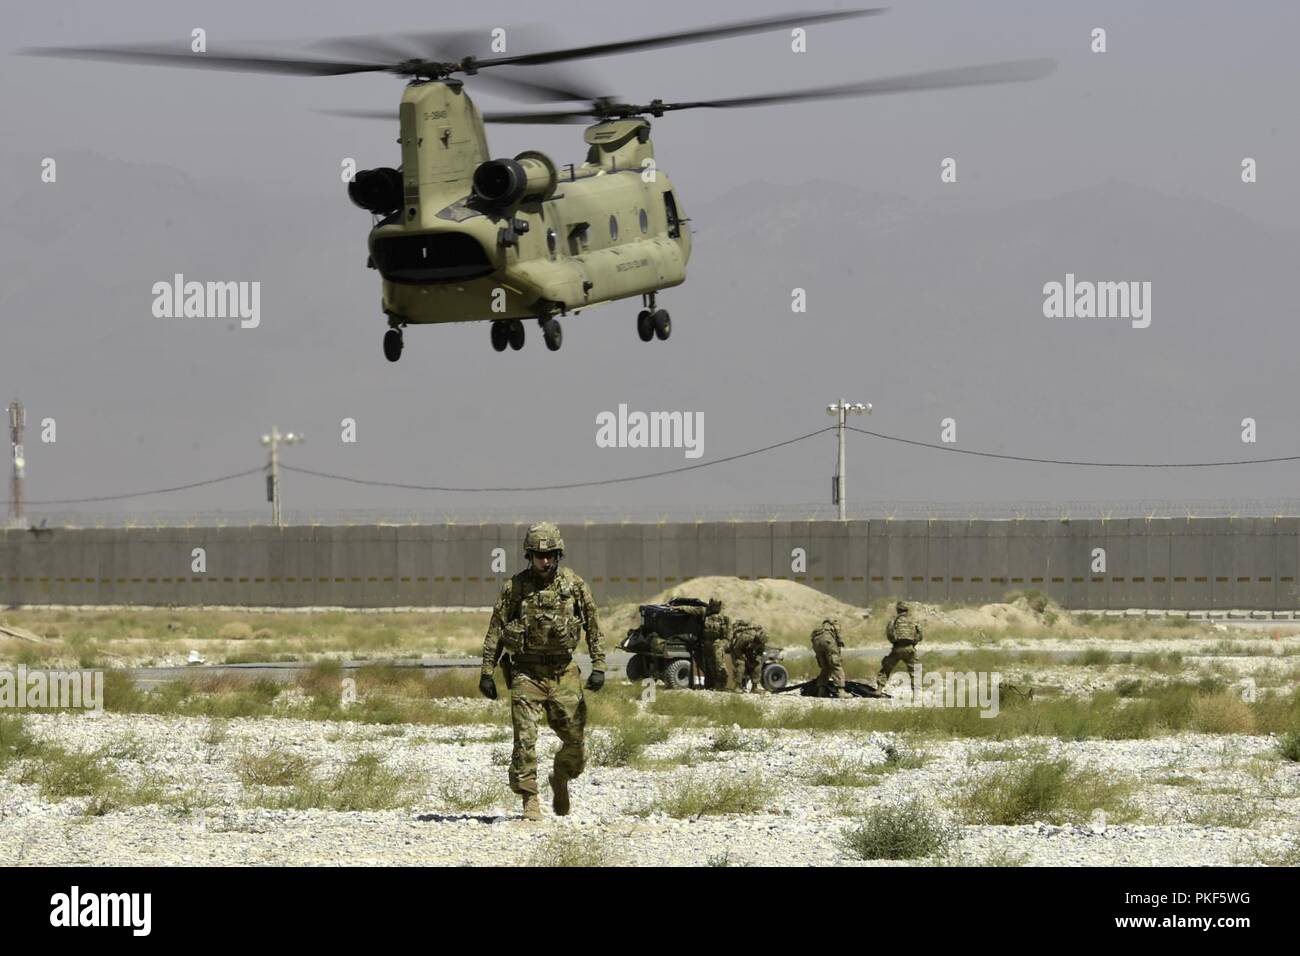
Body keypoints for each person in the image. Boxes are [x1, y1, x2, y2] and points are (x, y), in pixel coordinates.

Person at [479, 522, 605, 821]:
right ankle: (530, 801)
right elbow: (495, 631)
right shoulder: (515, 587)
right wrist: (487, 671)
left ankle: (560, 777)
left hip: (564, 673)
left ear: (558, 554)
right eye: (538, 555)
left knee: (575, 740)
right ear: (529, 556)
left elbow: (594, 626)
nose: (544, 561)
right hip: (526, 673)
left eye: (549, 555)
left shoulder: (574, 585)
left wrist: (599, 665)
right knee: (525, 738)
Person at [879, 600, 922, 693]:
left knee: (886, 668)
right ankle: (916, 694)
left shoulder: (893, 621)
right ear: (907, 610)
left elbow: (890, 634)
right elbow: (919, 635)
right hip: (910, 649)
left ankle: (879, 690)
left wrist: (895, 643)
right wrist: (913, 643)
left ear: (898, 610)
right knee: (915, 671)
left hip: (897, 649)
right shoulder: (914, 621)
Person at [810, 617, 849, 698]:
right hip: (827, 641)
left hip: (816, 643)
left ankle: (822, 691)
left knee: (825, 667)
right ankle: (841, 691)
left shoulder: (819, 629)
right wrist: (840, 643)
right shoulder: (834, 624)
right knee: (836, 666)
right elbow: (838, 636)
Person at [700, 597, 732, 690]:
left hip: (719, 642)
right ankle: (711, 683)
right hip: (707, 643)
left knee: (719, 662)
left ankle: (722, 682)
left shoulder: (724, 618)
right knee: (709, 664)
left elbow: (728, 635)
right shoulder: (706, 616)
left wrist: (722, 643)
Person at [729, 619, 767, 693]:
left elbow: (760, 652)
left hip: (748, 652)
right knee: (741, 664)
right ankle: (737, 686)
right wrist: (743, 658)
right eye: (757, 642)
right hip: (737, 651)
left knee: (757, 664)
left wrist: (756, 659)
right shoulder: (746, 637)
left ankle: (754, 687)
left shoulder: (762, 641)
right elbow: (736, 648)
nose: (759, 644)